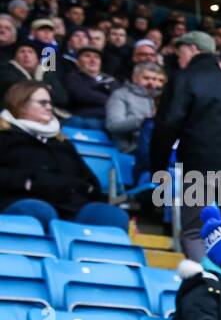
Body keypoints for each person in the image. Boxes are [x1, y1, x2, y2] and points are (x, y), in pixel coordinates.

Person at [150, 31, 221, 259]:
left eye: (180, 52)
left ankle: (205, 279)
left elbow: (167, 126)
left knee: (194, 231)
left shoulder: (184, 79)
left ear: (193, 49)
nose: (178, 58)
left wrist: (158, 169)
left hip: (199, 167)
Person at [0, 80, 129, 229]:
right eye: (43, 103)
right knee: (38, 210)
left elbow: (91, 183)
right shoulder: (4, 138)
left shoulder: (62, 143)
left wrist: (83, 188)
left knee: (111, 215)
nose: (49, 107)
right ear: (21, 105)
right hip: (20, 202)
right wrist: (27, 182)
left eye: (50, 103)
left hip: (70, 206)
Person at [105, 60, 163, 154]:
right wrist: (145, 121)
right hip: (131, 148)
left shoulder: (160, 97)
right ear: (134, 78)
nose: (151, 82)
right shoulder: (121, 94)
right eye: (146, 78)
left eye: (154, 79)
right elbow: (113, 126)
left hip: (157, 147)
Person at [62, 45, 117, 121]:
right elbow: (81, 95)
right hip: (87, 119)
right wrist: (112, 100)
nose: (93, 60)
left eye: (97, 57)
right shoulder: (73, 77)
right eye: (87, 56)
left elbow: (121, 96)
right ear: (78, 62)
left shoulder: (110, 79)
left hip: (113, 117)